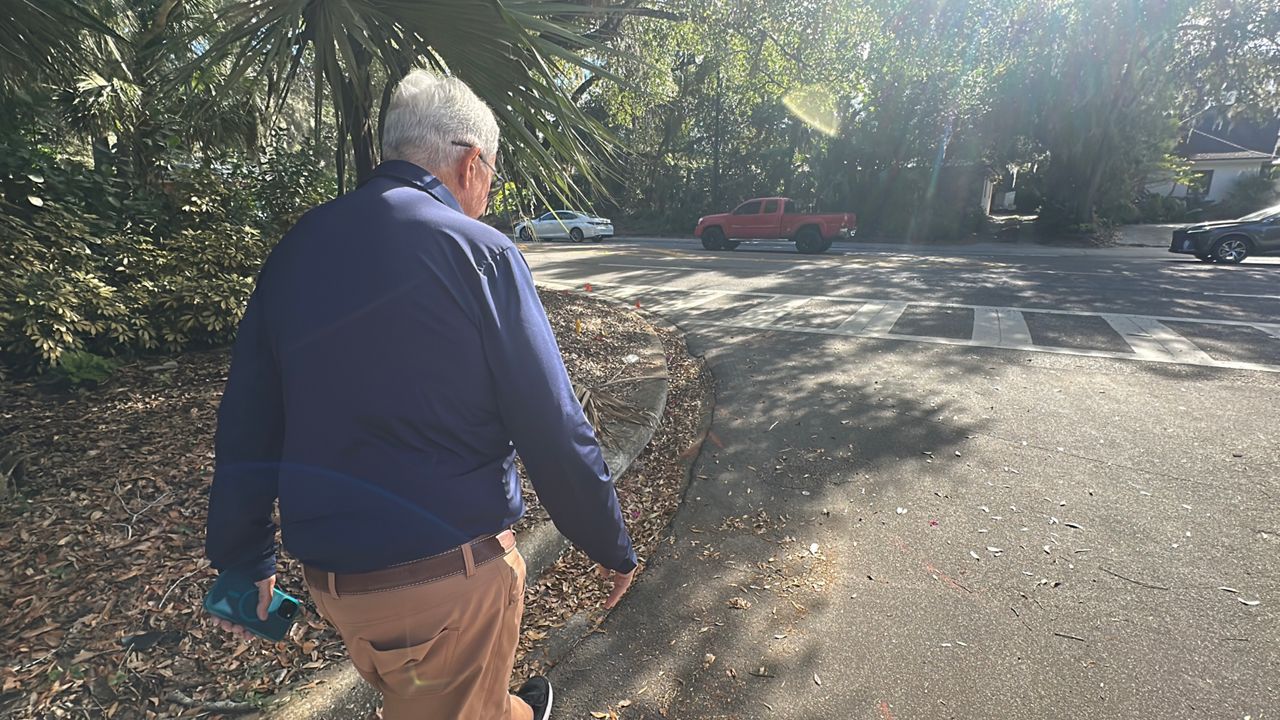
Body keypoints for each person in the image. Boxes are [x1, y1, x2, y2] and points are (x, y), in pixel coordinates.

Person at [204, 69, 638, 720]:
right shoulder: (481, 253)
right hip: (447, 580)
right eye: (491, 176)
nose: (487, 196)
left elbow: (248, 420)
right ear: (470, 163)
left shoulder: (296, 249)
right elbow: (552, 423)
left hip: (337, 587)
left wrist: (242, 555)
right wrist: (607, 542)